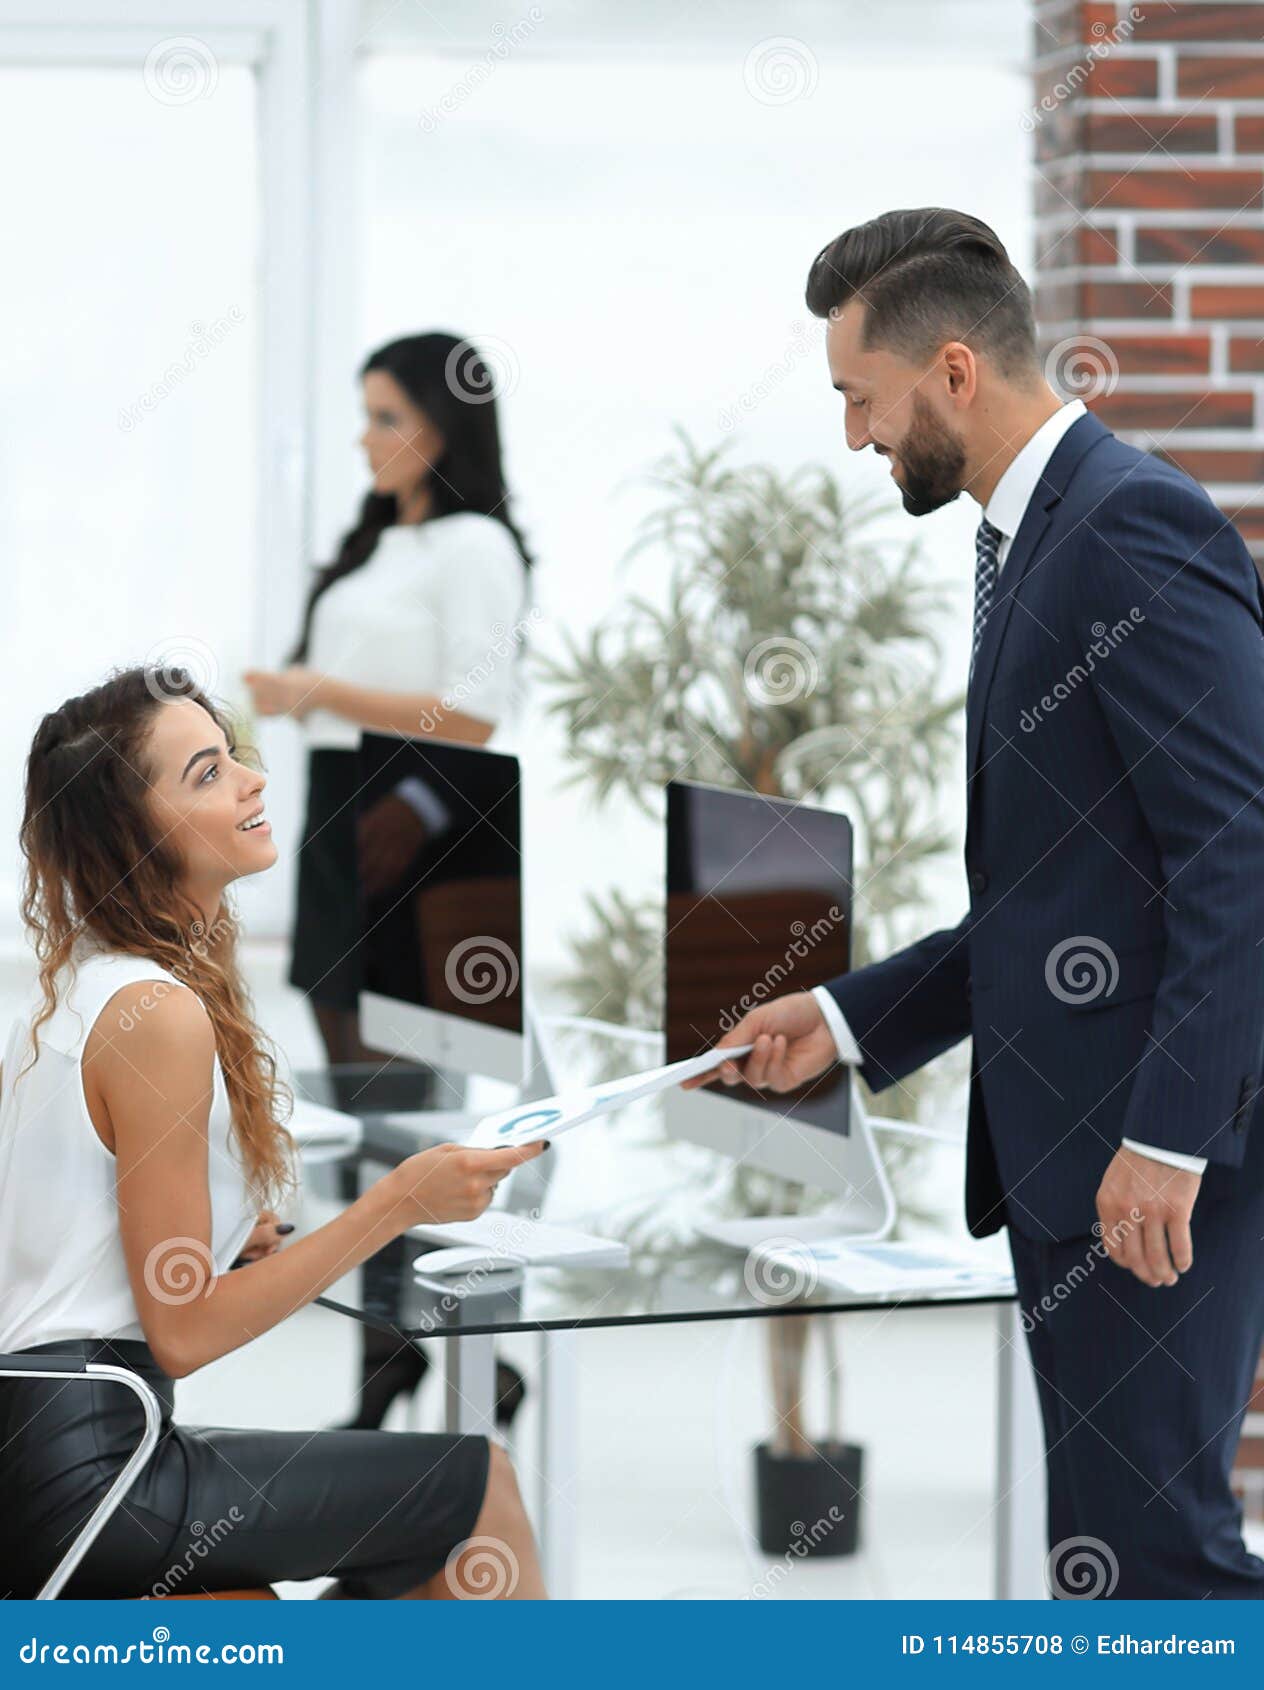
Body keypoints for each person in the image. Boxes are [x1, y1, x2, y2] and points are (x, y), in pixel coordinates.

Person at [686, 207, 1264, 1599]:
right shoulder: (1029, 538)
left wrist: (1169, 1138)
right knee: (1115, 1565)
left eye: (860, 398)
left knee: (1161, 1570)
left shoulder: (1128, 526)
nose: (854, 436)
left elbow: (1243, 847)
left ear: (952, 370)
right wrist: (846, 1013)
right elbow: (1056, 893)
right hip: (1085, 1162)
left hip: (1149, 1168)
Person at [0, 665, 547, 1599]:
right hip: (99, 1479)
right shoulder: (155, 1014)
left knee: (257, 1606)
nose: (253, 780)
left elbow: (68, 1233)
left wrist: (217, 1231)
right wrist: (399, 1202)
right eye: (207, 775)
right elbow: (180, 1334)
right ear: (137, 834)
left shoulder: (84, 990)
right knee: (480, 1489)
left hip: (42, 1458)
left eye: (234, 759)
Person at [244, 331, 534, 1434]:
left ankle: (398, 1371)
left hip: (414, 832)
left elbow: (471, 715)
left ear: (442, 426)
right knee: (364, 1117)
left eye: (385, 416)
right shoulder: (382, 544)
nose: (365, 439)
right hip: (340, 820)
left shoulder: (474, 545)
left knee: (403, 1118)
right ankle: (417, 1357)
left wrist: (319, 684)